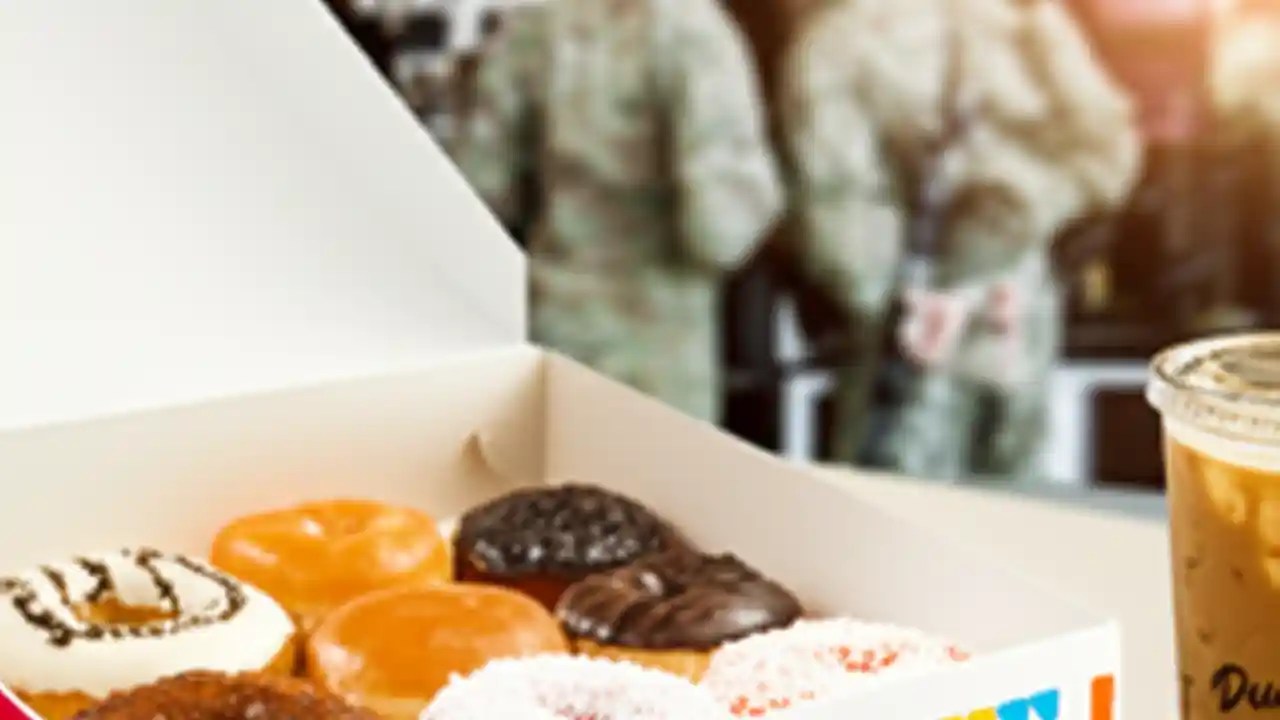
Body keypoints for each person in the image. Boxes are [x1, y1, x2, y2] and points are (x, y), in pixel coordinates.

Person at [782, 0, 1141, 479]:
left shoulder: (840, 40)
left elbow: (837, 199)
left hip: (930, 307)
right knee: (1009, 497)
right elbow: (1108, 154)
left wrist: (888, 302)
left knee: (906, 497)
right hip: (992, 300)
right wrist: (1023, 214)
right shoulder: (1028, 23)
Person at [454, 0, 783, 423]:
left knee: (557, 474)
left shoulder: (536, 26)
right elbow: (722, 230)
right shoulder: (692, 32)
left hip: (556, 317)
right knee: (660, 484)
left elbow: (479, 183)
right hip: (661, 339)